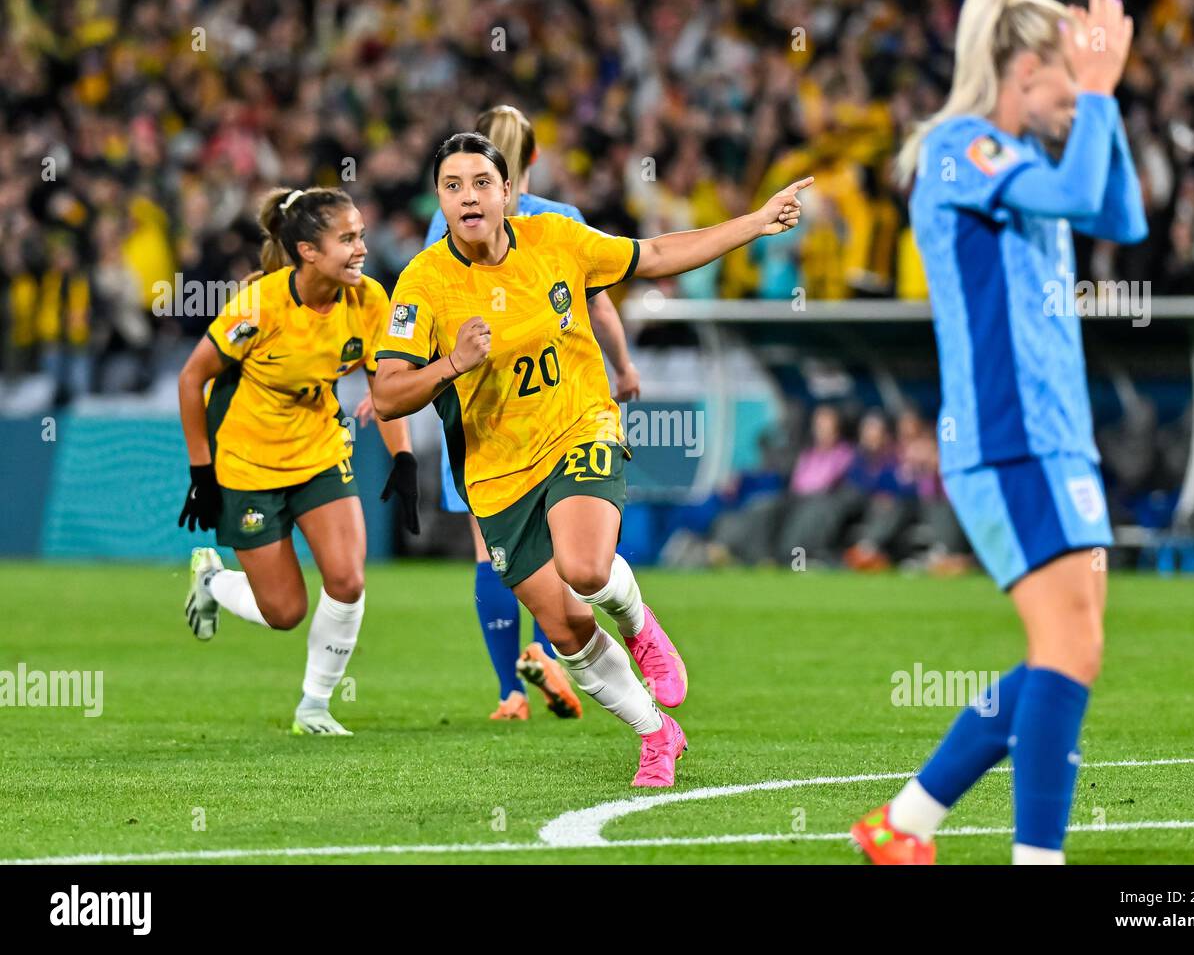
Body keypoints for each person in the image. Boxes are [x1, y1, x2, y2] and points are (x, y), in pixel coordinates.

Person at [371, 131, 810, 786]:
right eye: (453, 186)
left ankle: (639, 625)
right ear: (439, 199)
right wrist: (452, 363)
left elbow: (658, 253)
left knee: (584, 567)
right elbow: (385, 395)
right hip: (496, 474)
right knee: (567, 630)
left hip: (580, 427)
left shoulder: (558, 241)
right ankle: (655, 733)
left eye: (481, 183)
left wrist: (755, 222)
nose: (468, 197)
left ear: (509, 192)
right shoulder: (422, 283)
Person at [853, 0, 1146, 864]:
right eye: (1064, 77)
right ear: (1024, 72)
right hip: (1005, 438)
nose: (1075, 98)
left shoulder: (1023, 157)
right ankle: (1036, 859)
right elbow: (1079, 193)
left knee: (1069, 648)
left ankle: (903, 824)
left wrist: (1100, 95)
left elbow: (1120, 218)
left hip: (1056, 436)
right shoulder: (958, 150)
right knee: (1070, 645)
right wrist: (1097, 91)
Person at [357, 104, 639, 722]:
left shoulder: (444, 225)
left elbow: (423, 326)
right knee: (571, 554)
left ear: (502, 178)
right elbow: (602, 307)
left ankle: (510, 688)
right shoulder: (562, 220)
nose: (466, 196)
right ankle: (551, 648)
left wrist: (400, 386)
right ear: (533, 159)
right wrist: (623, 368)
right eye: (455, 185)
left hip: (482, 426)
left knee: (494, 555)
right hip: (554, 414)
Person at [176, 186, 418, 736]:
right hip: (246, 464)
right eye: (348, 239)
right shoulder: (259, 306)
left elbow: (386, 390)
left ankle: (314, 706)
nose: (362, 248)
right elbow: (192, 378)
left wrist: (402, 457)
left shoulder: (370, 300)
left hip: (318, 454)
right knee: (284, 612)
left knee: (348, 579)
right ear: (308, 251)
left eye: (361, 235)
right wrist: (200, 472)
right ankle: (212, 582)